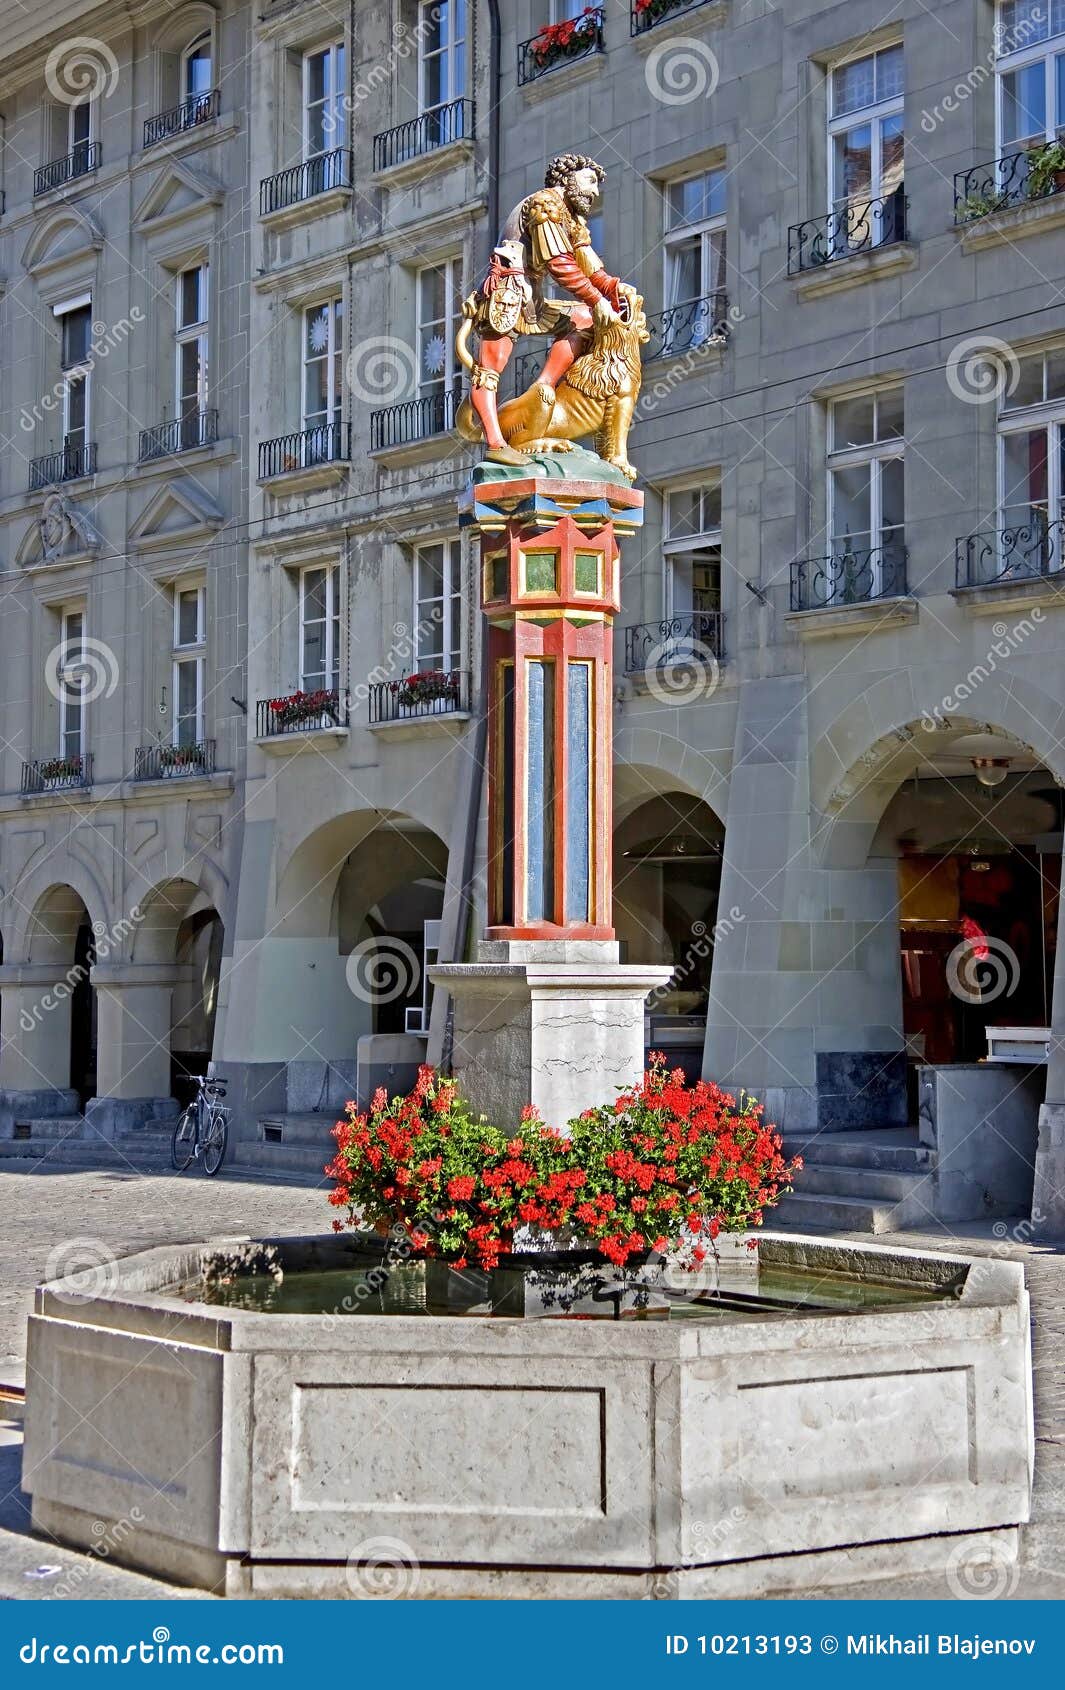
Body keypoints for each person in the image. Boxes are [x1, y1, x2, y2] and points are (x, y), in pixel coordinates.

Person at [459, 152, 624, 463]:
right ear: (567, 178)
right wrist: (598, 298)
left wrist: (614, 289)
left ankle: (543, 388)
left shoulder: (573, 219)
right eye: (589, 181)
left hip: (532, 298)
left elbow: (589, 267)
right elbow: (560, 264)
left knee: (584, 320)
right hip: (506, 293)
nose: (595, 192)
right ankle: (496, 443)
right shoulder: (545, 204)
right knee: (490, 371)